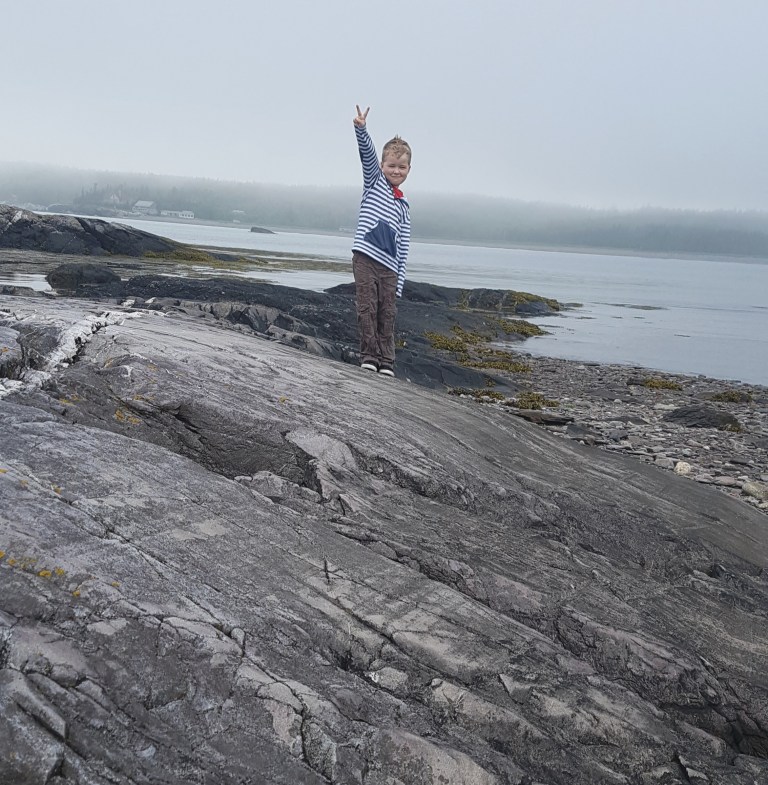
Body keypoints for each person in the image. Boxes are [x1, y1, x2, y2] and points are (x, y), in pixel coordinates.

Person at [351, 104, 411, 377]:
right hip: (365, 257)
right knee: (367, 308)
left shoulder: (403, 204)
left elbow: (404, 245)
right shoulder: (374, 182)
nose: (396, 171)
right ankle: (369, 356)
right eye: (391, 166)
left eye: (402, 167)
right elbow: (367, 155)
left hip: (389, 267)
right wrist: (361, 129)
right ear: (382, 166)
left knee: (387, 312)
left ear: (408, 169)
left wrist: (400, 280)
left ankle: (386, 360)